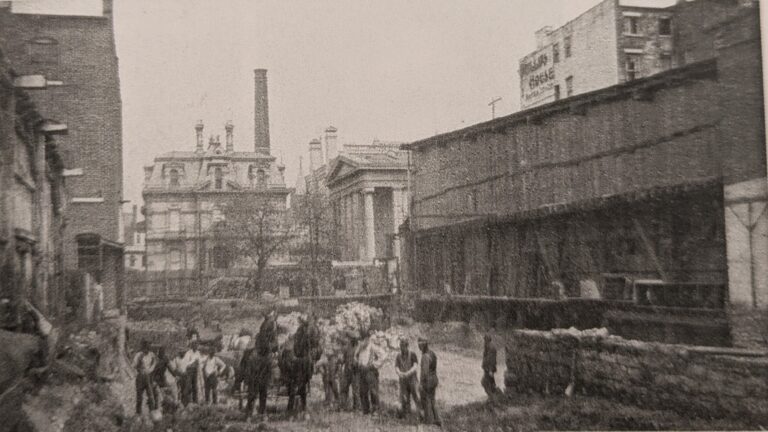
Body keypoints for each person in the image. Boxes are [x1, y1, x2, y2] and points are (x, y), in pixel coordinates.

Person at [355, 331, 386, 415]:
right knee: (362, 391)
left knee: (373, 391)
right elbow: (357, 356)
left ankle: (376, 409)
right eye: (360, 340)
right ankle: (365, 409)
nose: (360, 342)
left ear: (367, 339)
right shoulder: (361, 347)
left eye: (362, 340)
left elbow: (383, 355)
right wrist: (358, 363)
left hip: (370, 372)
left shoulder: (373, 346)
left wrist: (374, 365)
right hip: (362, 371)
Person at [395, 339, 420, 418]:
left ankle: (420, 413)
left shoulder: (412, 354)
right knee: (405, 397)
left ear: (407, 346)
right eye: (401, 347)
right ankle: (407, 414)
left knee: (416, 396)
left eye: (403, 347)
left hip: (412, 379)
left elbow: (415, 366)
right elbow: (396, 367)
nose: (402, 349)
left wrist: (408, 373)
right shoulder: (398, 356)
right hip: (403, 380)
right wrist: (399, 373)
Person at [418, 337, 440, 426]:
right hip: (434, 379)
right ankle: (437, 419)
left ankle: (428, 421)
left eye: (419, 345)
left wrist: (421, 384)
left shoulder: (425, 356)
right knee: (433, 400)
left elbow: (425, 373)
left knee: (426, 400)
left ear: (422, 345)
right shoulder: (432, 353)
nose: (419, 347)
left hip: (428, 381)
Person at [133, 340, 158, 415]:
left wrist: (150, 370)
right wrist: (139, 370)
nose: (146, 350)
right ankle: (138, 413)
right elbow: (133, 365)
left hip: (148, 377)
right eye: (145, 348)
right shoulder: (138, 355)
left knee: (150, 396)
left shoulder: (152, 355)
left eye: (148, 348)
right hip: (140, 377)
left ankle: (152, 413)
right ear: (143, 347)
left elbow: (154, 363)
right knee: (139, 397)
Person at [339, 337, 360, 411]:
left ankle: (356, 407)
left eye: (351, 340)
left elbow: (360, 361)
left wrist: (356, 363)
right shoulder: (346, 349)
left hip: (355, 372)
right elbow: (343, 360)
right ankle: (343, 406)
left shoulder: (358, 349)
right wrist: (341, 361)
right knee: (344, 388)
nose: (349, 342)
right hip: (347, 371)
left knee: (356, 390)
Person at [482, 334, 500, 399]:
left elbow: (492, 360)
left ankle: (492, 397)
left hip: (489, 369)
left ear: (487, 340)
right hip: (487, 369)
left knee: (484, 382)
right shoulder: (488, 347)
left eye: (484, 340)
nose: (484, 342)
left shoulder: (491, 348)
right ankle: (494, 396)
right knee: (491, 384)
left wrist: (490, 370)